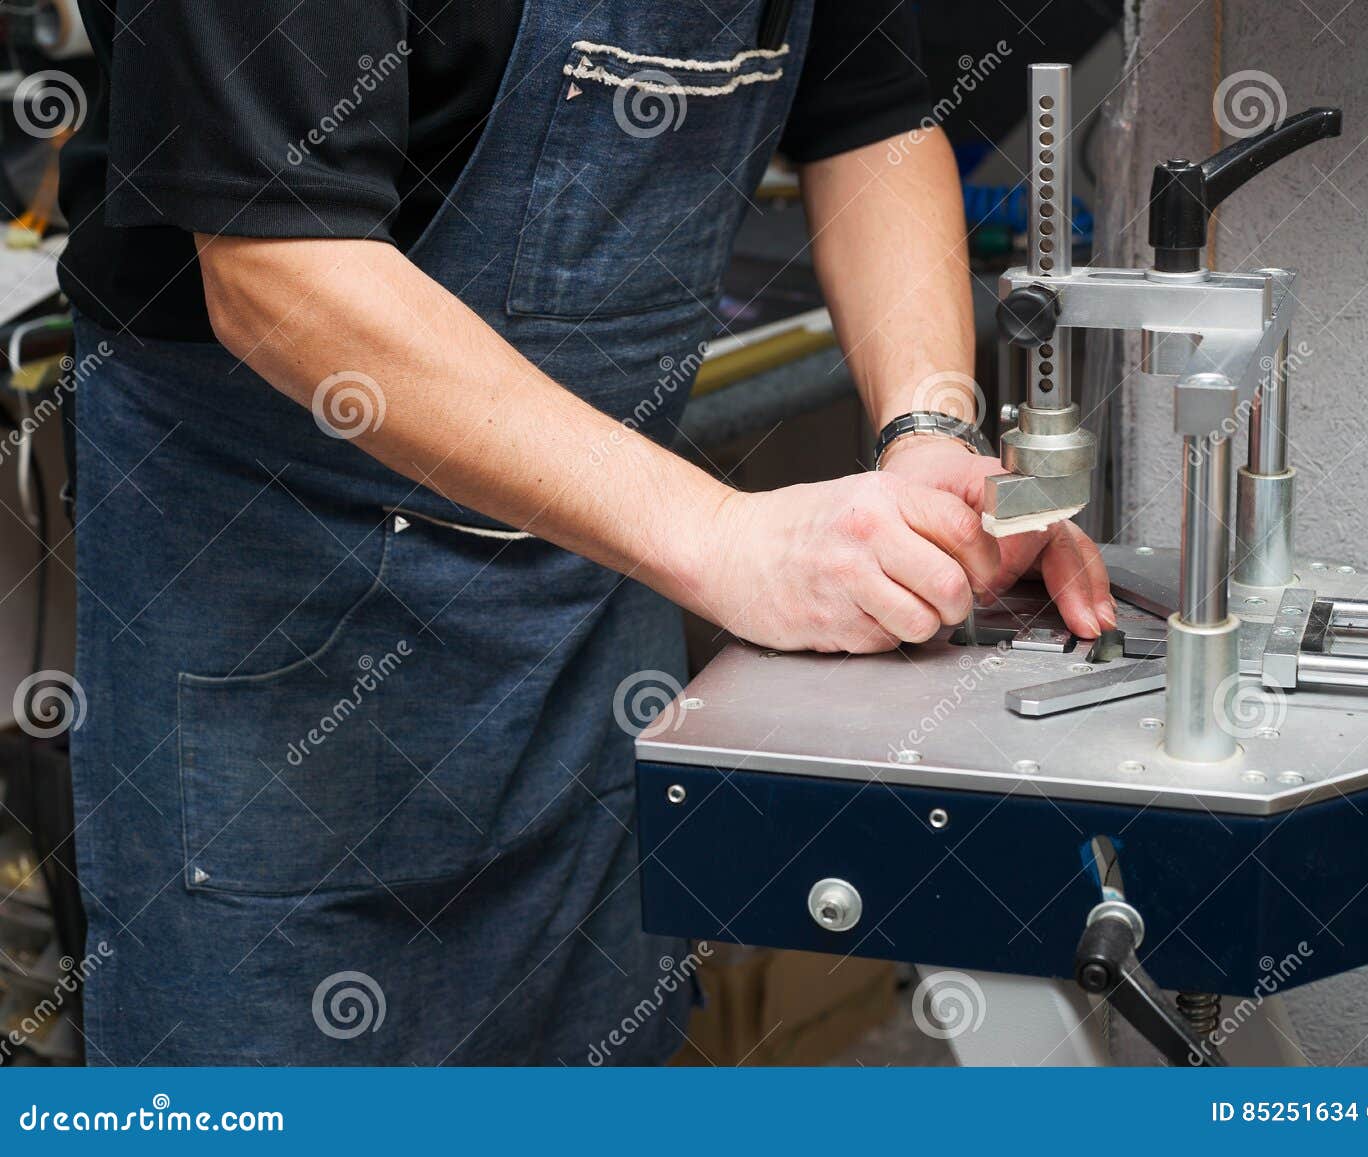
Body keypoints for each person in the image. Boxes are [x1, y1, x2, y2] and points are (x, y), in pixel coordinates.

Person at [57, 1, 1113, 1064]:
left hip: (592, 606)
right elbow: (279, 268)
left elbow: (869, 122)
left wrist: (928, 433)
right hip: (287, 624)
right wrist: (721, 538)